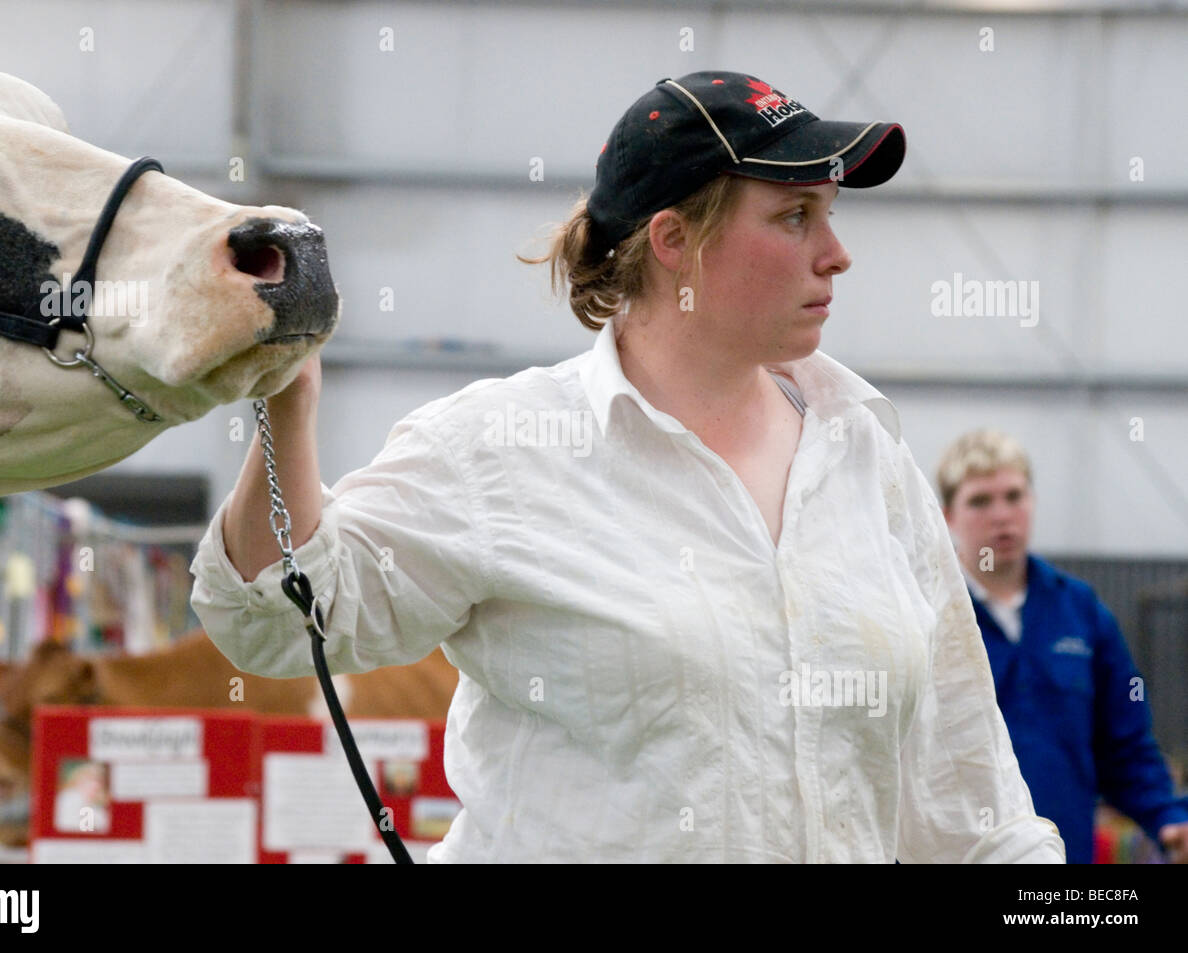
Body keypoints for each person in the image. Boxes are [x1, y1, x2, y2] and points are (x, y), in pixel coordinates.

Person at [190, 71, 1064, 863]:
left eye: (830, 216)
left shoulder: (865, 449)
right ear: (676, 240)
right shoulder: (505, 448)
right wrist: (286, 406)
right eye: (795, 217)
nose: (835, 253)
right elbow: (273, 618)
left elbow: (972, 804)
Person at [938, 428, 1188, 864]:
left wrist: (1169, 815)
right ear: (947, 517)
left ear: (1032, 501)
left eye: (1014, 496)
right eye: (980, 501)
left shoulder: (1082, 612)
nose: (1002, 515)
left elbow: (1125, 746)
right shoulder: (926, 613)